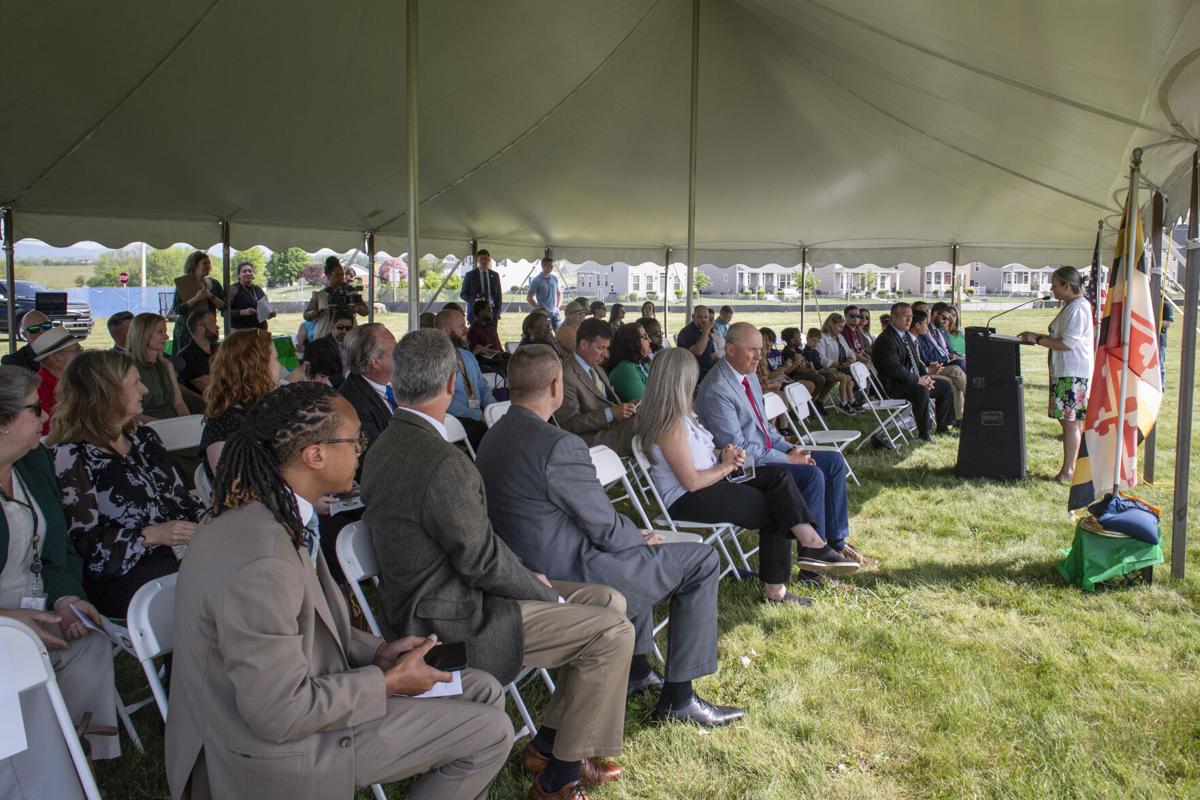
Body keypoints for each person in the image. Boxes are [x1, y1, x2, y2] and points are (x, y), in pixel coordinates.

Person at [166, 382, 514, 800]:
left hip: (310, 702)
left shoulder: (276, 514)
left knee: (482, 689)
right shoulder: (262, 559)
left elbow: (312, 629)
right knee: (491, 732)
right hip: (272, 752)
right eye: (355, 441)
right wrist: (386, 684)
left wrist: (378, 655)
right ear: (315, 455)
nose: (361, 451)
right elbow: (278, 714)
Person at [362, 329, 635, 799]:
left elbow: (477, 552)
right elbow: (481, 561)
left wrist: (530, 580)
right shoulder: (439, 461)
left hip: (432, 607)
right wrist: (542, 591)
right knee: (612, 631)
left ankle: (548, 744)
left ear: (398, 383)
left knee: (607, 599)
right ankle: (559, 779)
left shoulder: (384, 446)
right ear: (453, 383)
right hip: (448, 633)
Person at [477, 345, 744, 726]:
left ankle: (636, 671)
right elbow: (603, 525)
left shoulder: (491, 437)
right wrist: (638, 537)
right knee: (700, 560)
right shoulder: (558, 444)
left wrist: (630, 537)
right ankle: (679, 699)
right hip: (572, 572)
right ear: (556, 386)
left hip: (521, 565)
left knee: (637, 551)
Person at [641, 350, 855, 601]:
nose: (696, 383)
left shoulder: (684, 414)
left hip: (713, 478)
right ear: (679, 380)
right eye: (692, 377)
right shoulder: (669, 424)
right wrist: (726, 466)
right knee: (777, 506)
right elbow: (692, 482)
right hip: (688, 498)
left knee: (779, 477)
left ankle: (812, 545)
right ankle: (780, 585)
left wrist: (724, 453)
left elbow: (700, 453)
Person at [0, 366, 120, 798]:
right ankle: (33, 778)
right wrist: (11, 619)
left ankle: (78, 750)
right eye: (35, 409)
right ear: (3, 421)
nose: (46, 417)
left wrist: (66, 597)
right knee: (17, 659)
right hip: (4, 618)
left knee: (88, 641)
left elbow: (59, 551)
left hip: (36, 601)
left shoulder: (32, 462)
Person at [695, 323, 866, 564]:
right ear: (730, 350)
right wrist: (788, 460)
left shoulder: (748, 375)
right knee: (812, 474)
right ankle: (815, 564)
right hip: (742, 466)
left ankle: (836, 543)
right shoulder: (717, 389)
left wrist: (790, 449)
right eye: (752, 349)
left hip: (767, 452)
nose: (759, 356)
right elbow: (739, 451)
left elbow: (766, 430)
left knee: (834, 460)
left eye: (761, 349)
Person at [48, 351, 199, 617]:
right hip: (126, 573)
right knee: (205, 592)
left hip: (178, 555)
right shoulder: (71, 456)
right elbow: (88, 546)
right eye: (135, 382)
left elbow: (181, 498)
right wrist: (152, 535)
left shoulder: (145, 438)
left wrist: (214, 521)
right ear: (106, 392)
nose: (144, 389)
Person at [1018, 266, 1094, 482]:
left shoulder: (1078, 308)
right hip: (1065, 371)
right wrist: (1036, 335)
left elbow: (1067, 343)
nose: (1052, 289)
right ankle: (1071, 467)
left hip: (1072, 372)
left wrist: (1038, 340)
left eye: (1055, 285)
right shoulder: (1073, 306)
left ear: (1068, 286)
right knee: (1068, 422)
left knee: (1070, 422)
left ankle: (1069, 470)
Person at [201, 329, 283, 476]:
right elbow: (232, 489)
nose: (280, 366)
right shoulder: (223, 426)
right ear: (258, 369)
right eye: (275, 359)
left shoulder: (264, 411)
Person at [872, 303, 956, 442]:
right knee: (921, 390)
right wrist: (918, 380)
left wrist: (925, 376)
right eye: (906, 316)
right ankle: (924, 434)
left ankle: (943, 428)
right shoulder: (886, 340)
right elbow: (895, 369)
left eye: (911, 316)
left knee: (945, 386)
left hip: (909, 381)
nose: (909, 320)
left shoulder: (904, 335)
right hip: (894, 386)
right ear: (894, 317)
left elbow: (916, 361)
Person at [556, 318, 638, 457]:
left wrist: (627, 407)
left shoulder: (596, 368)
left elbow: (607, 402)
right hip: (594, 440)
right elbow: (570, 425)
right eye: (601, 348)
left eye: (606, 348)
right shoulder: (566, 376)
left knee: (655, 419)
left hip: (614, 429)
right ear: (583, 344)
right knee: (654, 428)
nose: (605, 354)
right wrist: (611, 413)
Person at [436, 307, 494, 449]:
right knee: (490, 436)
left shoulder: (467, 355)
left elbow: (482, 386)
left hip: (479, 414)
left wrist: (493, 407)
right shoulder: (435, 361)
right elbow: (443, 400)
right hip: (456, 419)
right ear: (445, 330)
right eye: (461, 326)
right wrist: (477, 415)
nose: (467, 330)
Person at [339, 323, 399, 460]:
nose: (401, 355)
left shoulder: (389, 384)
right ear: (376, 362)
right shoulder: (354, 404)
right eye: (396, 351)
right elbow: (378, 456)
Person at [128, 312, 189, 420]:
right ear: (144, 334)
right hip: (146, 425)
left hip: (171, 422)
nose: (166, 336)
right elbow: (127, 412)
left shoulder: (166, 365)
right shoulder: (128, 368)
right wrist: (157, 424)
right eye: (160, 332)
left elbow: (179, 403)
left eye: (165, 331)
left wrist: (187, 421)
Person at [911, 310, 966, 423]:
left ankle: (960, 420)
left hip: (935, 367)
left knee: (955, 382)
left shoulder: (924, 335)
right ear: (917, 325)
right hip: (923, 374)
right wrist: (929, 367)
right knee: (956, 370)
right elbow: (922, 360)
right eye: (925, 324)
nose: (927, 327)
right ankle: (976, 400)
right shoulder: (913, 339)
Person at [31, 327, 84, 435]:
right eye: (77, 350)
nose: (82, 354)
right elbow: (48, 431)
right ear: (57, 357)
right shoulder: (36, 390)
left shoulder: (78, 379)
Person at [170, 250, 225, 352]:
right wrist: (196, 299)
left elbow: (223, 306)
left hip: (208, 329)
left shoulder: (214, 284)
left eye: (209, 263)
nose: (208, 266)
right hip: (186, 331)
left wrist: (210, 296)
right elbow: (177, 309)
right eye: (204, 263)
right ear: (194, 265)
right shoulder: (184, 283)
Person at [304, 256, 369, 339]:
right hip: (325, 336)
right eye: (337, 274)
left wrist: (357, 308)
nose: (341, 277)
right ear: (328, 275)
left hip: (348, 335)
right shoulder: (319, 295)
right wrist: (313, 313)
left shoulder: (351, 292)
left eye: (342, 274)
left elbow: (366, 311)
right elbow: (306, 315)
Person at [803, 328, 855, 409]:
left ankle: (851, 400)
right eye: (814, 341)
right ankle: (843, 403)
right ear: (807, 338)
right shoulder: (806, 351)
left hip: (822, 369)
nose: (816, 343)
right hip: (816, 372)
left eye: (818, 341)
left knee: (848, 377)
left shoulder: (815, 351)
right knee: (842, 377)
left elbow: (820, 364)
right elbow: (812, 366)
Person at [780, 327, 836, 403]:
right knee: (820, 379)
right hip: (794, 377)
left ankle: (819, 400)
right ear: (793, 340)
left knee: (831, 377)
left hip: (805, 373)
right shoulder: (787, 352)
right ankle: (811, 401)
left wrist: (809, 366)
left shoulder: (798, 350)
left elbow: (805, 364)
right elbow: (793, 371)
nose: (801, 339)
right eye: (799, 337)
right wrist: (810, 370)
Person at [173, 308, 219, 395]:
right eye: (213, 323)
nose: (217, 326)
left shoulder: (219, 349)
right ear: (201, 329)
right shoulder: (185, 357)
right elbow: (207, 386)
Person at [606, 322, 652, 402]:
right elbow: (647, 404)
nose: (649, 340)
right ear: (632, 342)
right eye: (644, 336)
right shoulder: (624, 370)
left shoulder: (639, 362)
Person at [227, 260, 274, 331]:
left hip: (260, 331)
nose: (248, 273)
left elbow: (266, 312)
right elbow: (224, 313)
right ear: (238, 275)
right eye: (244, 271)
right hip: (240, 333)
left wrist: (271, 313)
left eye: (250, 271)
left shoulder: (258, 289)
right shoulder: (233, 289)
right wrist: (243, 312)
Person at [460, 249, 503, 324]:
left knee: (491, 335)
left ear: (489, 260)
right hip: (475, 312)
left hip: (491, 312)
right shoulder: (470, 275)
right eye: (481, 259)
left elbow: (499, 295)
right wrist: (474, 300)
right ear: (477, 260)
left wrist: (497, 311)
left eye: (485, 259)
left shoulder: (495, 275)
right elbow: (463, 294)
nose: (483, 261)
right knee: (476, 335)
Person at [467, 299, 509, 373]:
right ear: (480, 313)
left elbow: (499, 347)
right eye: (488, 310)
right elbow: (479, 355)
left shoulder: (491, 328)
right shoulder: (473, 331)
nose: (491, 312)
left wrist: (505, 354)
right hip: (489, 364)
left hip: (499, 359)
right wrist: (500, 358)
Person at [676, 305, 717, 379]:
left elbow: (713, 355)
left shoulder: (705, 331)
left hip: (709, 371)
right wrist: (706, 331)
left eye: (706, 317)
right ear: (693, 317)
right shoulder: (686, 333)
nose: (703, 320)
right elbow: (698, 351)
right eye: (699, 317)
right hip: (693, 373)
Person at [528, 257, 564, 329]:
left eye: (552, 266)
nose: (550, 268)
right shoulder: (536, 280)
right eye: (548, 266)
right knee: (546, 333)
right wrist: (539, 308)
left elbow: (559, 294)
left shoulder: (554, 278)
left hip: (555, 312)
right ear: (542, 266)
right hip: (544, 313)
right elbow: (529, 297)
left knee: (559, 332)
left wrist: (557, 307)